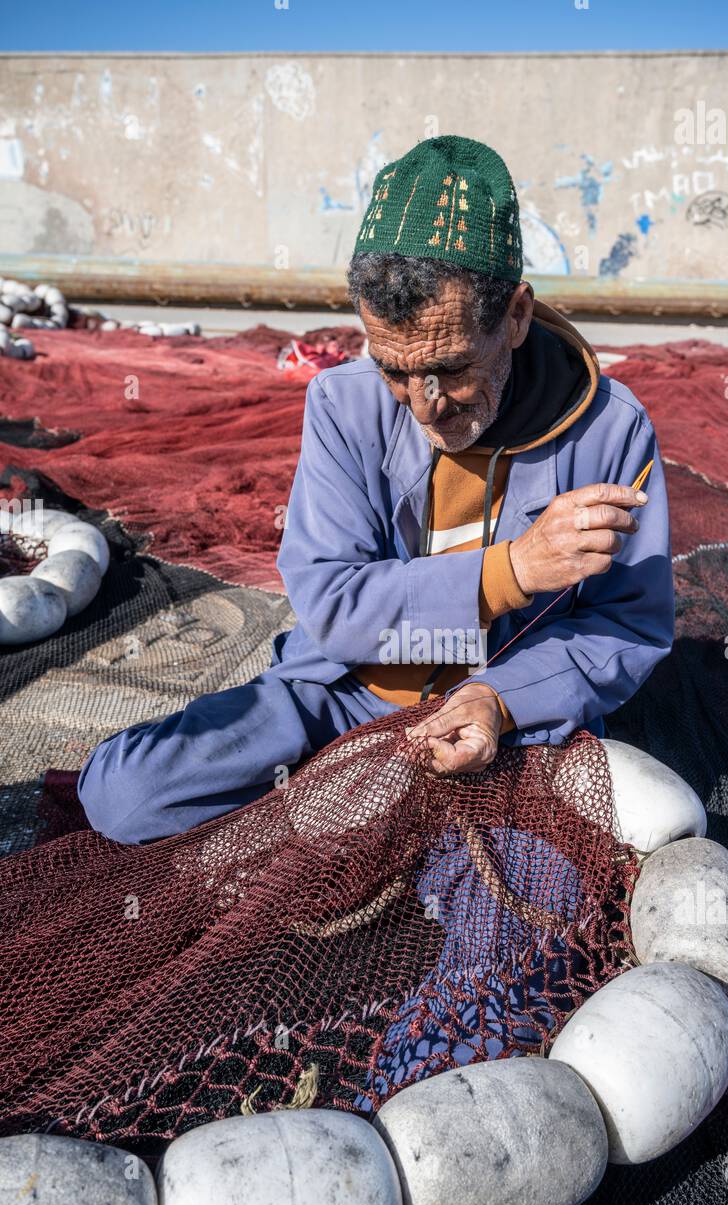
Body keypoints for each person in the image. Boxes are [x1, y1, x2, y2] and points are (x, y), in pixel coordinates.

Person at [78, 135, 674, 845]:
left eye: (451, 368)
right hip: (343, 697)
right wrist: (512, 571)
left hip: (511, 726)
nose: (425, 406)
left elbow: (627, 626)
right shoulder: (342, 404)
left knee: (537, 891)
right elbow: (331, 603)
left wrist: (497, 701)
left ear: (516, 316)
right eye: (394, 368)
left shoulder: (611, 431)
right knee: (125, 793)